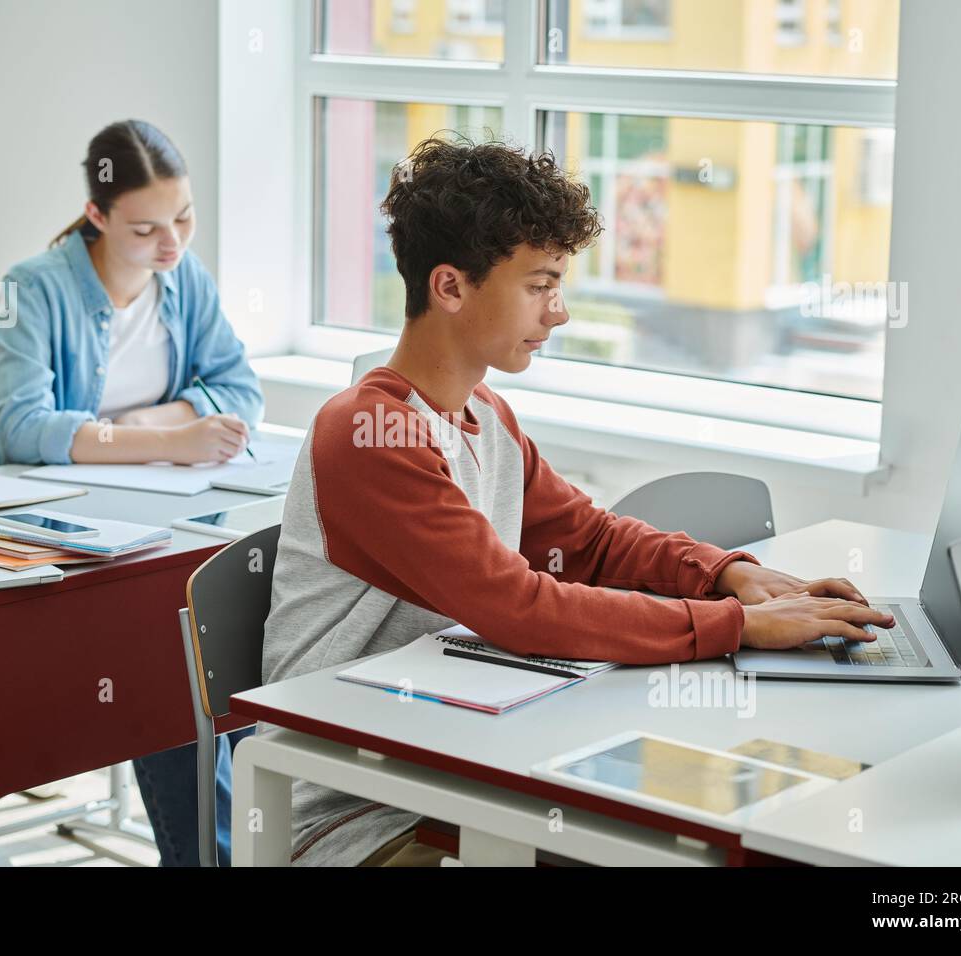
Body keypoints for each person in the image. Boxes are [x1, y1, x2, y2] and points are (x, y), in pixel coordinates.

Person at [261, 137, 895, 867]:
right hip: (357, 810)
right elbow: (518, 607)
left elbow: (588, 542)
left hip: (462, 769)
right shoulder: (370, 435)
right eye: (539, 284)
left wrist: (724, 573)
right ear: (449, 287)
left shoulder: (484, 415)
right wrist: (736, 626)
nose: (557, 314)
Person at [0, 119, 262, 866]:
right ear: (98, 216)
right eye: (146, 228)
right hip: (65, 547)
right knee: (176, 670)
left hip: (167, 524)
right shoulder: (31, 288)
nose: (172, 243)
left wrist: (159, 417)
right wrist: (170, 441)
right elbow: (19, 426)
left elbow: (241, 387)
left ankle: (257, 846)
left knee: (244, 647)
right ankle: (210, 856)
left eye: (184, 217)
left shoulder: (184, 279)